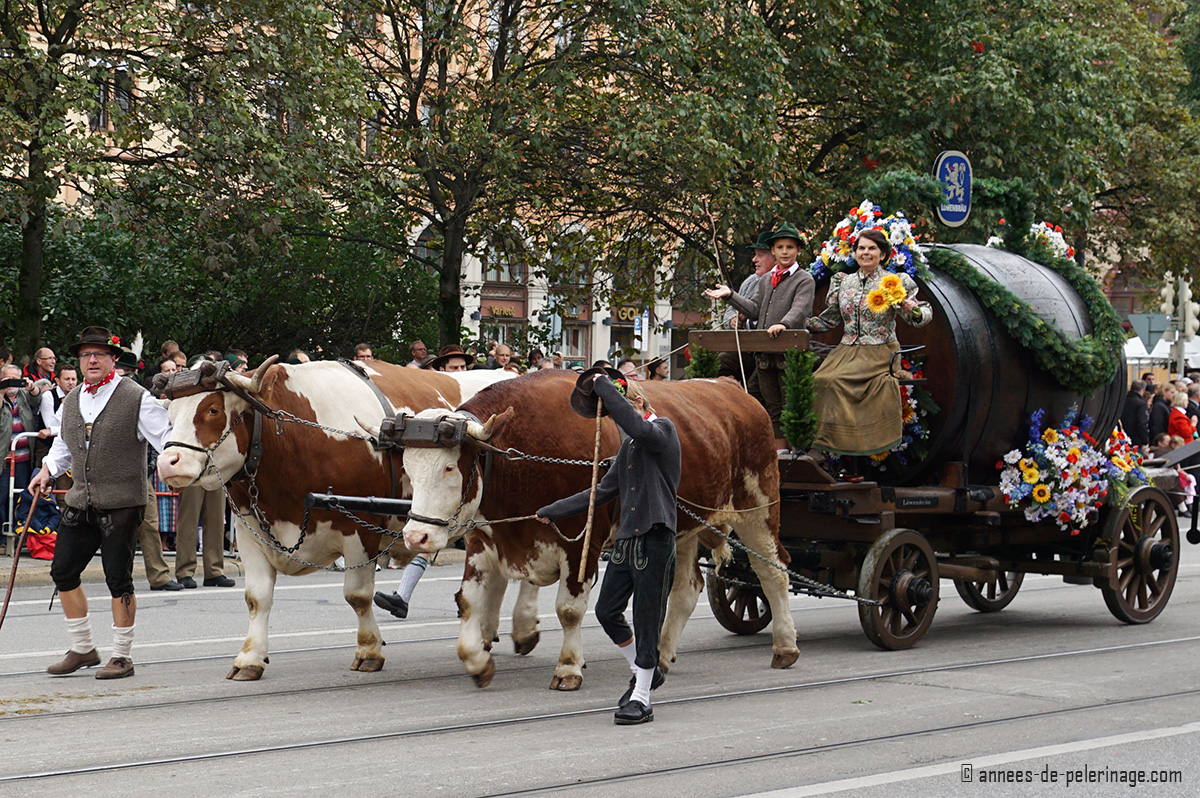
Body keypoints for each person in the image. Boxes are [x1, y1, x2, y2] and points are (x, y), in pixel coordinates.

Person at [535, 369, 680, 726]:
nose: (618, 416)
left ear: (640, 402)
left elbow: (639, 427)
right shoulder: (628, 448)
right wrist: (553, 511)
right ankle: (642, 670)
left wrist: (604, 385)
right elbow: (599, 493)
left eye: (623, 408)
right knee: (606, 611)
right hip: (628, 541)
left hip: (656, 539)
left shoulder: (662, 431)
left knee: (648, 621)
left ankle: (642, 697)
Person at [28, 326, 173, 679]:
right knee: (63, 570)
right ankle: (83, 648)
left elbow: (167, 438)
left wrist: (176, 462)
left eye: (99, 354)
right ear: (79, 362)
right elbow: (64, 444)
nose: (91, 360)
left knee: (117, 579)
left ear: (113, 359)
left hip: (123, 502)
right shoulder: (72, 398)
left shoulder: (137, 397)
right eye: (85, 355)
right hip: (81, 501)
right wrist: (47, 469)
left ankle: (121, 655)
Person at [804, 228, 932, 462]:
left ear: (882, 254)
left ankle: (835, 446)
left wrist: (911, 310)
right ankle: (821, 445)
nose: (866, 253)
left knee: (832, 380)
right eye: (861, 248)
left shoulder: (894, 282)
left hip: (879, 350)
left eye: (872, 248)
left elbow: (923, 314)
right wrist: (801, 325)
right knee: (818, 380)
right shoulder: (843, 281)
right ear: (854, 253)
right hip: (847, 350)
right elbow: (831, 318)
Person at [705, 221, 816, 453]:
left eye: (790, 247)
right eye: (780, 247)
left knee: (791, 405)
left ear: (798, 251)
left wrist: (783, 324)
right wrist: (730, 296)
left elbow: (800, 309)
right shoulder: (766, 280)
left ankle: (799, 456)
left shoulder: (804, 279)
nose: (785, 252)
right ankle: (779, 454)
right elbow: (754, 308)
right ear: (774, 252)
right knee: (772, 406)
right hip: (765, 353)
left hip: (790, 352)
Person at [718, 232, 774, 389]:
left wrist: (748, 319)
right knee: (720, 362)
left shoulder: (782, 280)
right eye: (755, 255)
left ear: (774, 256)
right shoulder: (750, 282)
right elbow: (730, 311)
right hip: (746, 348)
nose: (754, 260)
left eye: (760, 255)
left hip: (767, 349)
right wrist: (733, 321)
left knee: (756, 386)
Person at [2, 364, 47, 526]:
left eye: (15, 379)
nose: (11, 383)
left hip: (24, 459)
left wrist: (32, 387)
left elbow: (37, 399)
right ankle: (2, 535)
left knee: (21, 497)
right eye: (7, 379)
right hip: (4, 460)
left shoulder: (23, 395)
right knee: (2, 497)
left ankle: (16, 531)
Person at [1120, 379, 1150, 448]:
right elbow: (1142, 423)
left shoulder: (1123, 401)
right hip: (1136, 440)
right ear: (1142, 390)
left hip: (1122, 438)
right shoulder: (1141, 404)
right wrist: (1145, 440)